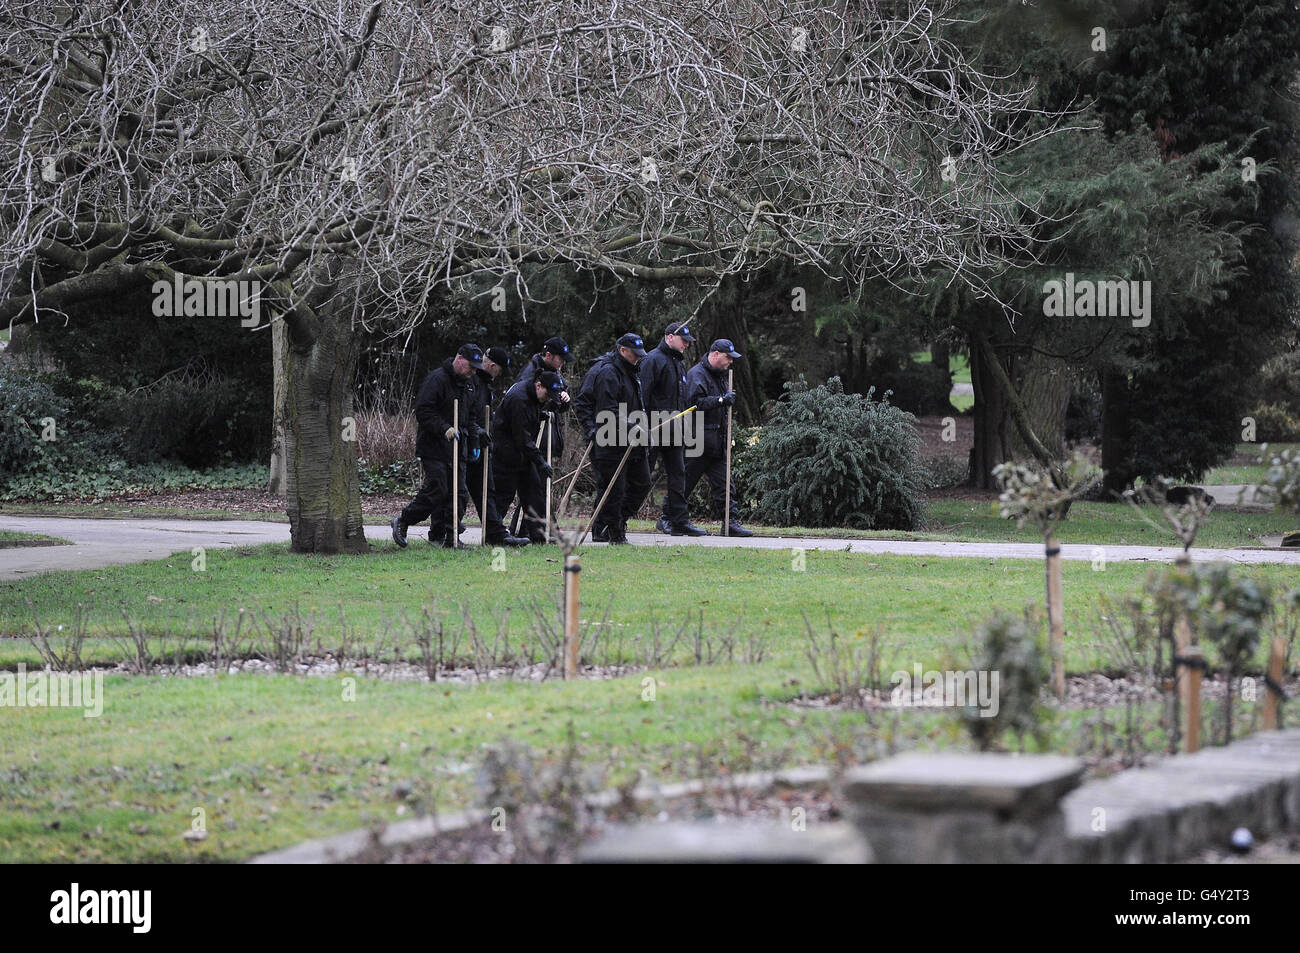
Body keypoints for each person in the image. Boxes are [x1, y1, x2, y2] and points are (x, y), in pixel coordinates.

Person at [392, 344, 483, 549]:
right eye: (471, 366)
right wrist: (444, 428)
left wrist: (475, 442)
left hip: (459, 447)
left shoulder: (470, 384)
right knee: (438, 490)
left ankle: (450, 538)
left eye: (476, 368)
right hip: (434, 447)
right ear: (459, 359)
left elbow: (472, 416)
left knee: (459, 494)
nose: (473, 371)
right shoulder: (437, 379)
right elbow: (423, 411)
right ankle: (404, 520)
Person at [574, 332, 652, 544]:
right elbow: (608, 410)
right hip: (610, 440)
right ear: (622, 350)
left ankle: (612, 524)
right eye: (634, 354)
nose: (638, 358)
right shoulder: (608, 372)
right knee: (613, 490)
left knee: (642, 484)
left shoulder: (632, 371)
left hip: (633, 440)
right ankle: (614, 533)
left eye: (640, 354)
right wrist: (593, 431)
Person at [639, 321, 707, 536]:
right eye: (683, 340)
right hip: (654, 427)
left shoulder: (678, 363)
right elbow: (642, 395)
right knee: (642, 477)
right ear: (670, 337)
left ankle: (679, 521)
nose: (686, 345)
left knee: (679, 475)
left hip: (675, 428)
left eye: (688, 341)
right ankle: (617, 518)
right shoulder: (652, 360)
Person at [684, 339, 753, 537]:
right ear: (715, 354)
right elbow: (693, 404)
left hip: (717, 441)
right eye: (727, 357)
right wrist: (721, 400)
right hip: (697, 441)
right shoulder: (696, 375)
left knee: (725, 485)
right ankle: (668, 518)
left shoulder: (722, 376)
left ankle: (730, 522)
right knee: (685, 483)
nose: (730, 361)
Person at [465, 346, 529, 546]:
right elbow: (465, 414)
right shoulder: (472, 382)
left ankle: (496, 534)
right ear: (492, 365)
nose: (500, 375)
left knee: (488, 491)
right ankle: (443, 531)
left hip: (480, 445)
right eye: (499, 371)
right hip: (466, 443)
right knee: (455, 492)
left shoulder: (484, 385)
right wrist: (476, 430)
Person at [492, 370, 566, 543]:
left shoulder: (535, 396)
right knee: (504, 495)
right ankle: (493, 533)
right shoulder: (519, 399)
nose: (548, 399)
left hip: (523, 454)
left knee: (535, 494)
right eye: (548, 395)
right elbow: (522, 437)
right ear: (539, 385)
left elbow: (531, 418)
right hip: (507, 452)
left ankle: (539, 537)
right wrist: (540, 462)